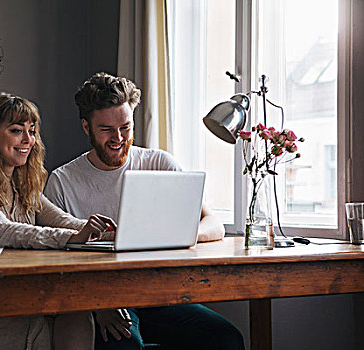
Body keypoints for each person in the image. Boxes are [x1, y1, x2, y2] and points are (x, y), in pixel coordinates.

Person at [44, 72, 245, 349]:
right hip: (101, 300)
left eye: (125, 127)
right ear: (86, 127)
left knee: (226, 339)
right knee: (124, 345)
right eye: (106, 130)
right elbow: (52, 262)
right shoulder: (62, 181)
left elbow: (213, 223)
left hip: (159, 296)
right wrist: (97, 305)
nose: (118, 138)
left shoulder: (159, 163)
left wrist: (181, 233)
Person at [0, 92, 116, 350]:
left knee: (79, 313)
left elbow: (64, 221)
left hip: (28, 306)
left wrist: (110, 231)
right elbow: (0, 230)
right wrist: (71, 237)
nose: (28, 140)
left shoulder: (24, 186)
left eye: (32, 131)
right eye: (16, 130)